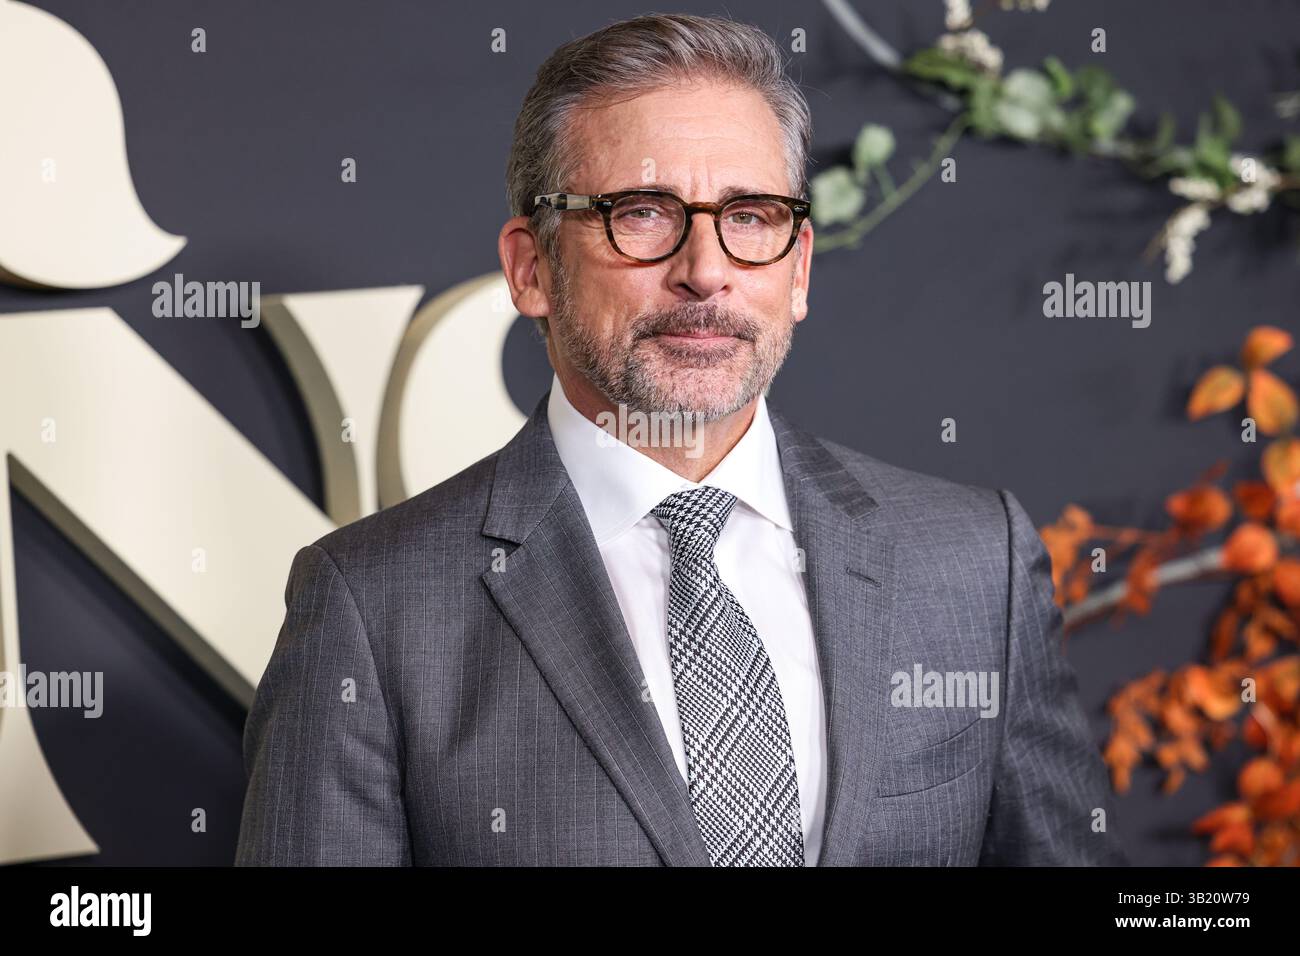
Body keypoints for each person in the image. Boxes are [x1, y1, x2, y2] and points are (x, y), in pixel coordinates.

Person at [236, 12, 1125, 867]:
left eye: (749, 216)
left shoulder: (975, 564)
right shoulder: (373, 608)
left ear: (800, 266)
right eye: (644, 212)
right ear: (531, 268)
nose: (705, 271)